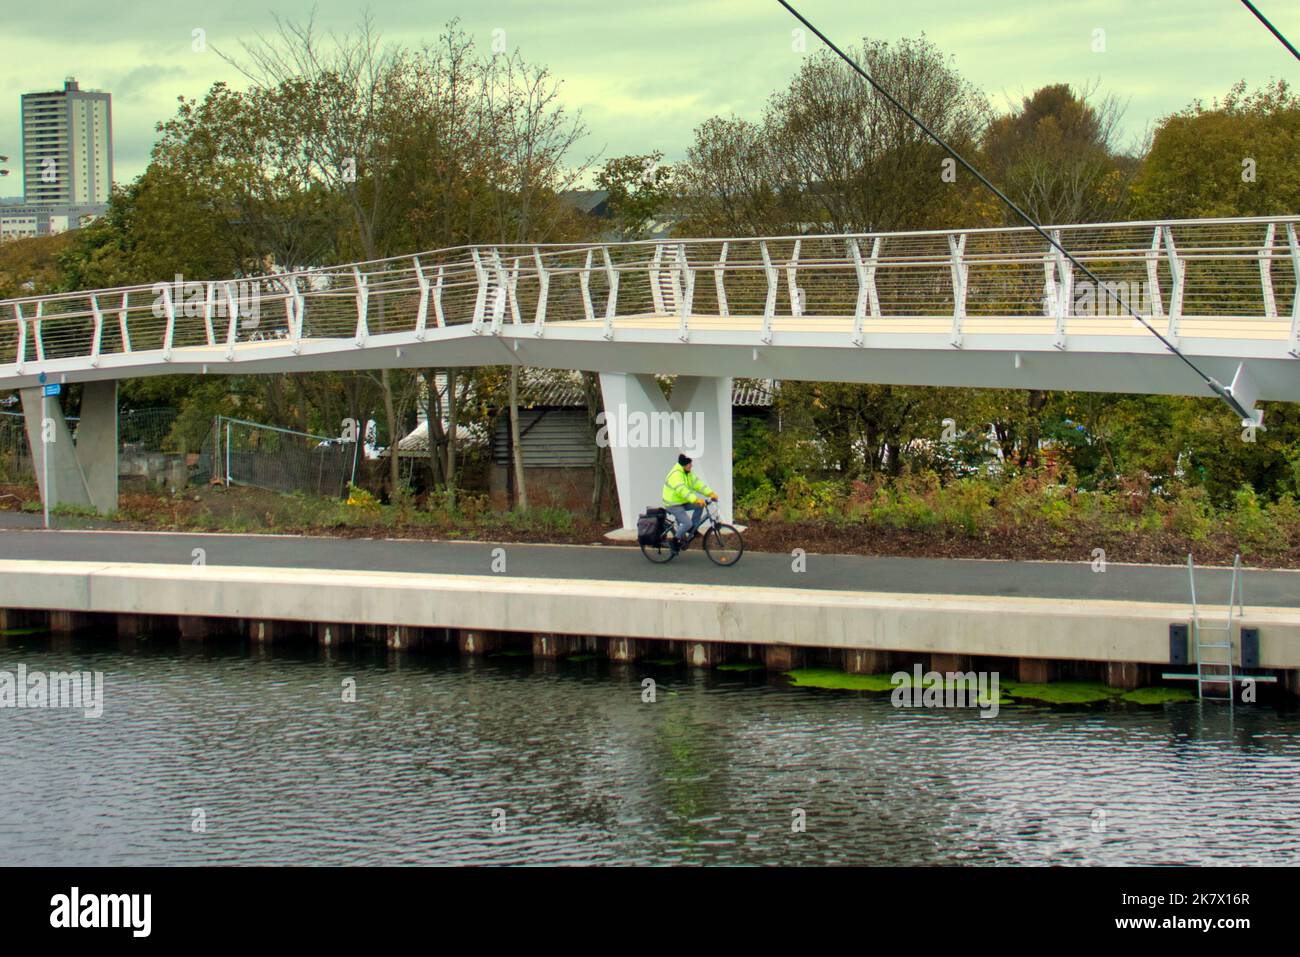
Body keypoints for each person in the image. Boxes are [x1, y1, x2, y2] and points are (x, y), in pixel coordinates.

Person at [662, 453, 717, 547]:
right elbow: (683, 490)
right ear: (684, 464)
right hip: (673, 504)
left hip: (682, 501)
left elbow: (698, 484)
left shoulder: (687, 473)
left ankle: (692, 529)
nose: (691, 465)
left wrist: (710, 493)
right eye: (689, 463)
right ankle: (674, 542)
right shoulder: (676, 475)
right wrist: (695, 499)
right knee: (687, 523)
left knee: (700, 505)